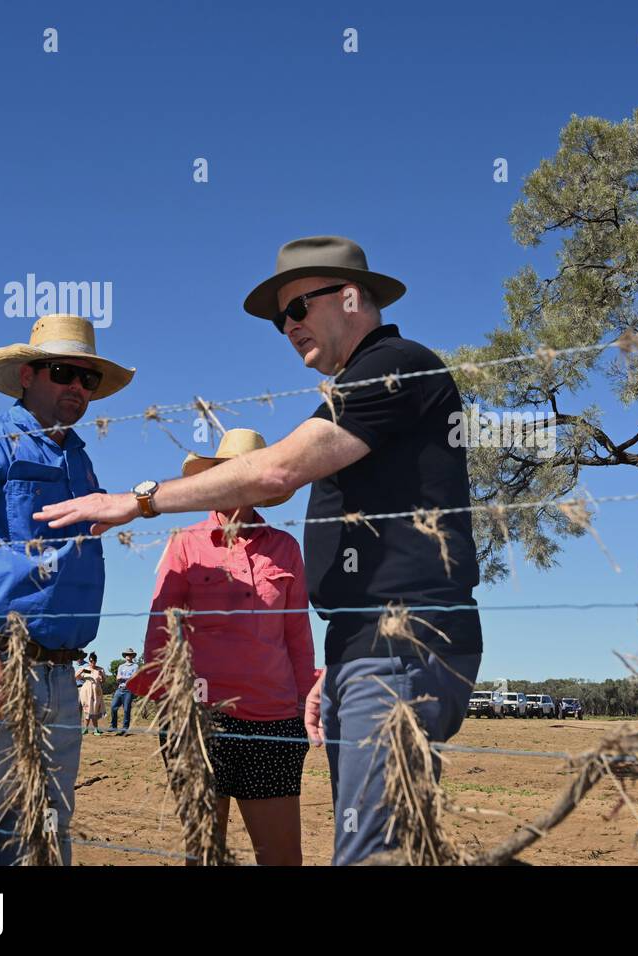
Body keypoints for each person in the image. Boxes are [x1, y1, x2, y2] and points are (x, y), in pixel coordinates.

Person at [34, 236, 483, 865]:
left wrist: (136, 500)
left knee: (375, 851)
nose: (288, 327)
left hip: (396, 636)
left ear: (351, 296)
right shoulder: (357, 386)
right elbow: (168, 623)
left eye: (297, 308)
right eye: (280, 320)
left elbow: (277, 475)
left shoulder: (394, 364)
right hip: (354, 646)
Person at [0, 313, 133, 865]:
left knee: (39, 843)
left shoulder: (80, 461)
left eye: (90, 380)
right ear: (28, 376)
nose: (79, 388)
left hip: (59, 677)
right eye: (65, 372)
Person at [127, 428, 314, 866]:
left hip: (273, 721)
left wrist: (304, 705)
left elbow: (297, 636)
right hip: (199, 720)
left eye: (249, 473)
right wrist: (176, 707)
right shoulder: (185, 544)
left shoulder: (284, 548)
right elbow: (162, 633)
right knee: (206, 853)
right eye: (228, 471)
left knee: (283, 857)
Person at [110, 648, 139, 735]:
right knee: (113, 706)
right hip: (119, 689)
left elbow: (134, 678)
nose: (128, 656)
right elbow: (117, 678)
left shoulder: (135, 666)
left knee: (126, 710)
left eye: (130, 654)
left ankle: (125, 728)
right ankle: (113, 726)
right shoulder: (121, 666)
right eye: (127, 654)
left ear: (132, 656)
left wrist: (123, 677)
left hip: (129, 691)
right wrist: (126, 678)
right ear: (125, 656)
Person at [77, 652, 105, 736]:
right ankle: (85, 728)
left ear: (96, 661)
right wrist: (80, 671)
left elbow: (103, 681)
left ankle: (95, 728)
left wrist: (102, 676)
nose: (92, 662)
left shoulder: (100, 669)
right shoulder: (86, 669)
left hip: (96, 692)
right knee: (87, 710)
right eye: (91, 661)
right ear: (89, 661)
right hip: (86, 691)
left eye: (94, 661)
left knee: (94, 710)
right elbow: (76, 677)